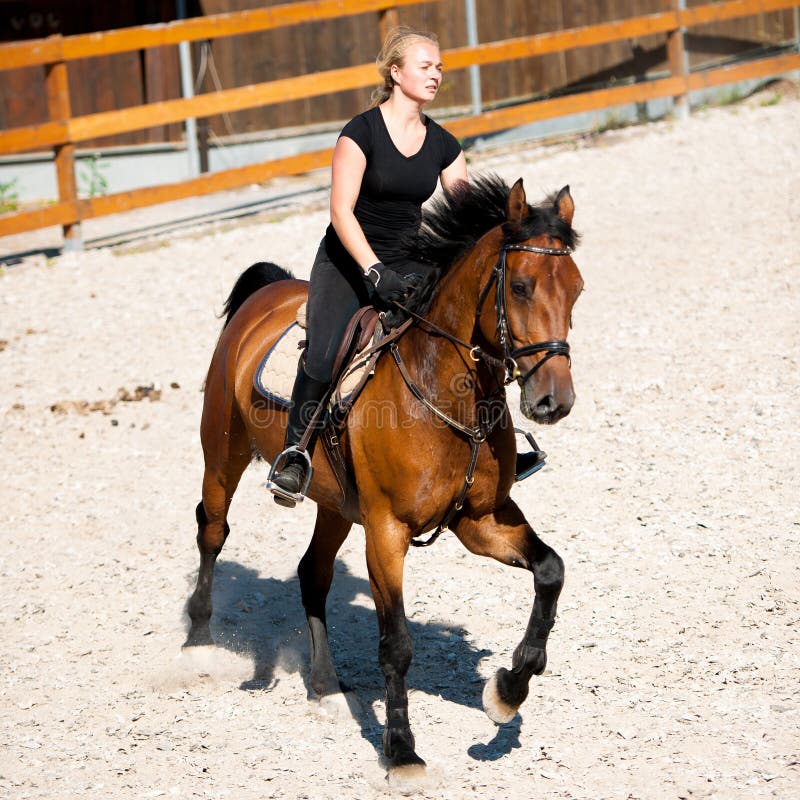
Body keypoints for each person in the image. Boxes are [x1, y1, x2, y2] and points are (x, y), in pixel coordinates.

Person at [268, 26, 468, 507]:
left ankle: (489, 440)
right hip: (347, 258)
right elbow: (341, 212)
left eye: (439, 67)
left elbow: (464, 216)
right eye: (425, 66)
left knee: (463, 333)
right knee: (323, 354)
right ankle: (294, 454)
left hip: (410, 258)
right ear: (396, 73)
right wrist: (374, 269)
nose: (436, 75)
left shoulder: (444, 144)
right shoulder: (360, 133)